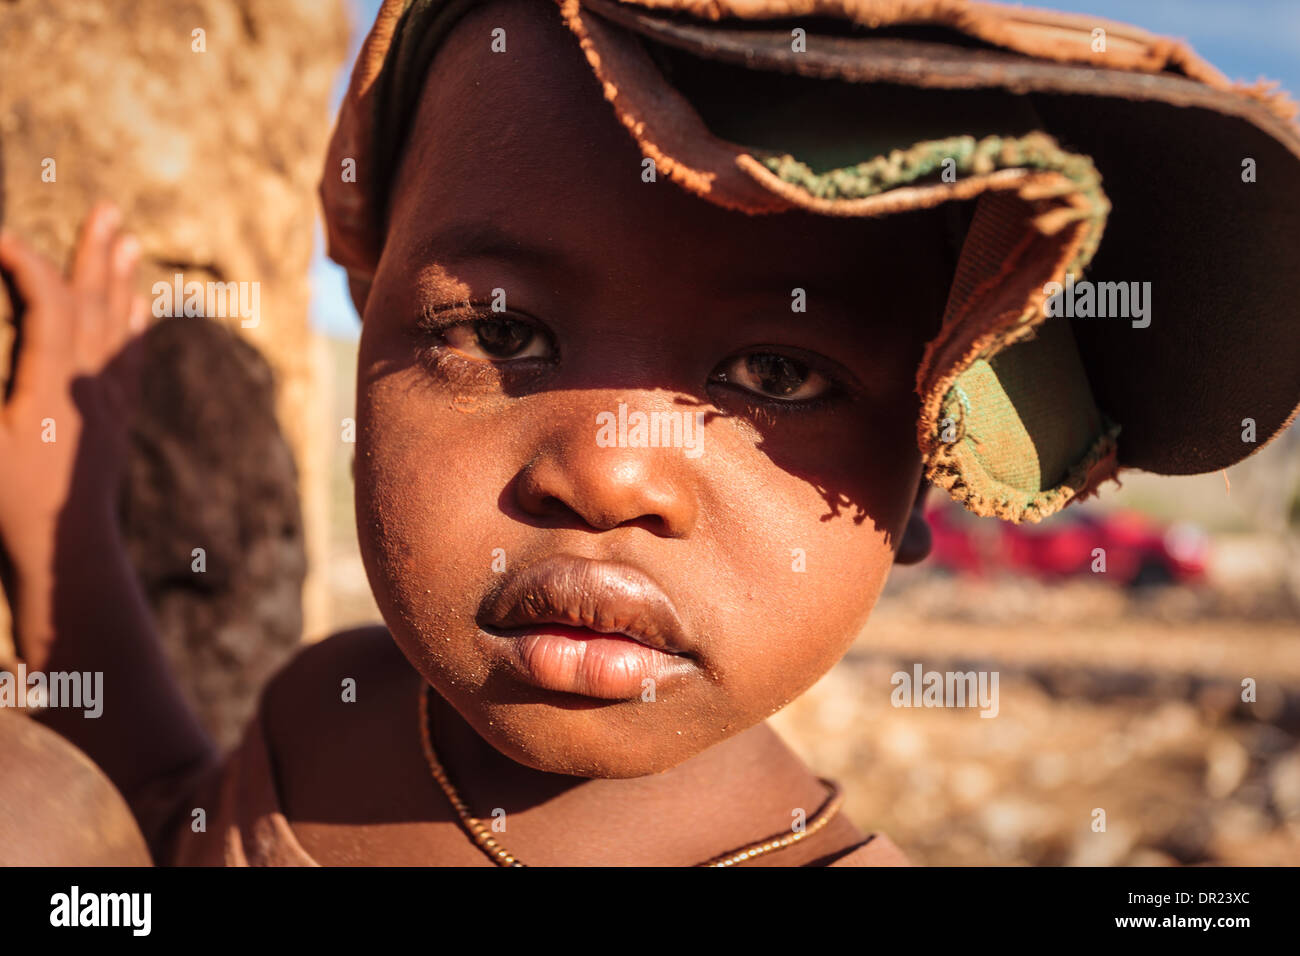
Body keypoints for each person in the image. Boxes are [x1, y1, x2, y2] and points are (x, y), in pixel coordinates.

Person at [0, 0, 1296, 866]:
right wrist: (59, 514)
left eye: (776, 371)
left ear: (922, 484)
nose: (609, 469)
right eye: (500, 336)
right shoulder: (335, 711)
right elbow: (168, 821)